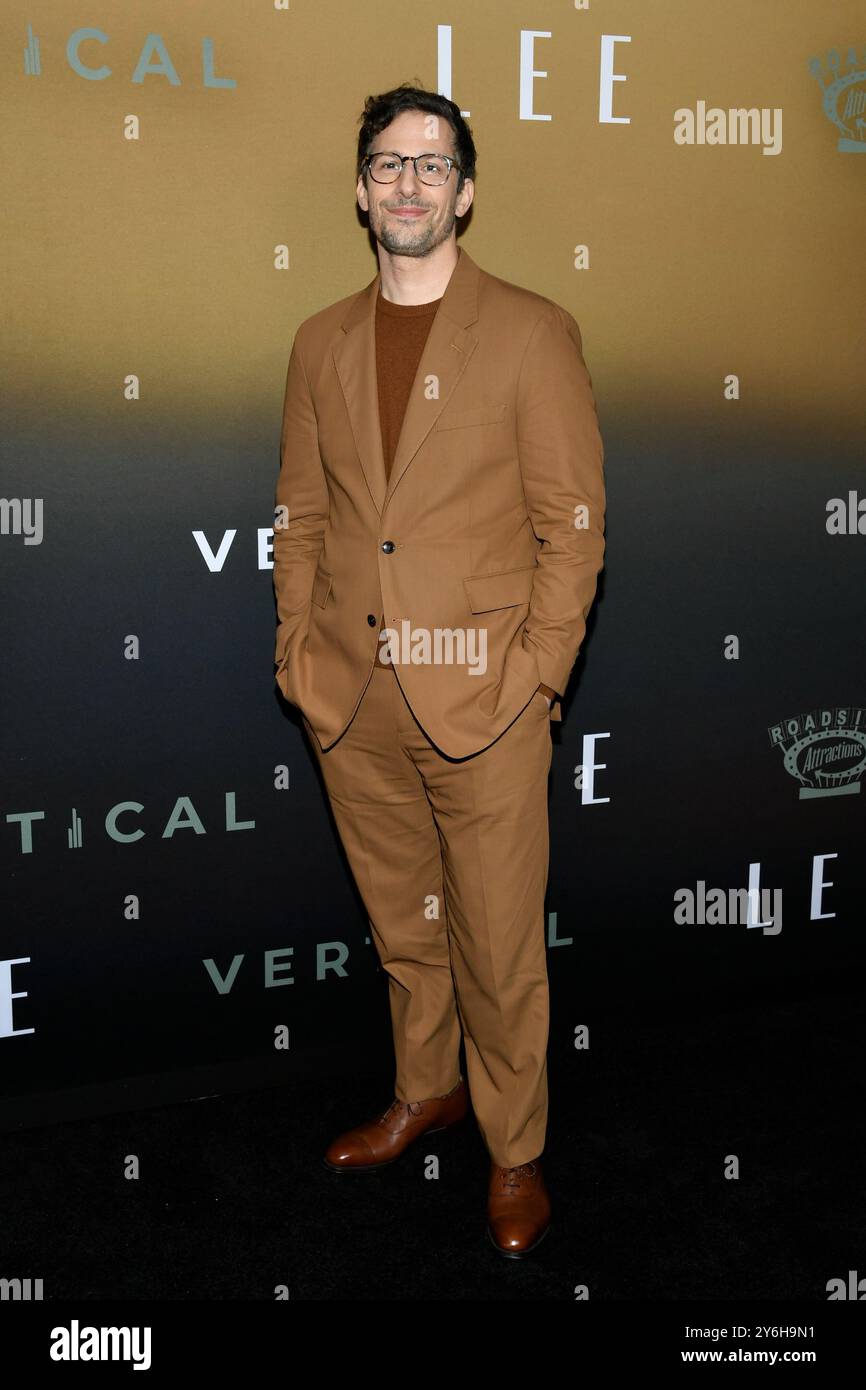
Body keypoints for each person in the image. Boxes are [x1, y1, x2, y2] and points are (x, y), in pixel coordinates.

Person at [272, 82, 605, 1257]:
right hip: (350, 691)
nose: (406, 181)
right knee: (404, 926)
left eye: (431, 163)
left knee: (499, 941)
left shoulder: (527, 329)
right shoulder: (318, 340)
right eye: (386, 162)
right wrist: (297, 651)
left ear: (463, 191)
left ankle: (514, 1150)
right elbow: (304, 517)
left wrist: (538, 675)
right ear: (360, 190)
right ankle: (428, 1090)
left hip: (483, 694)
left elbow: (571, 523)